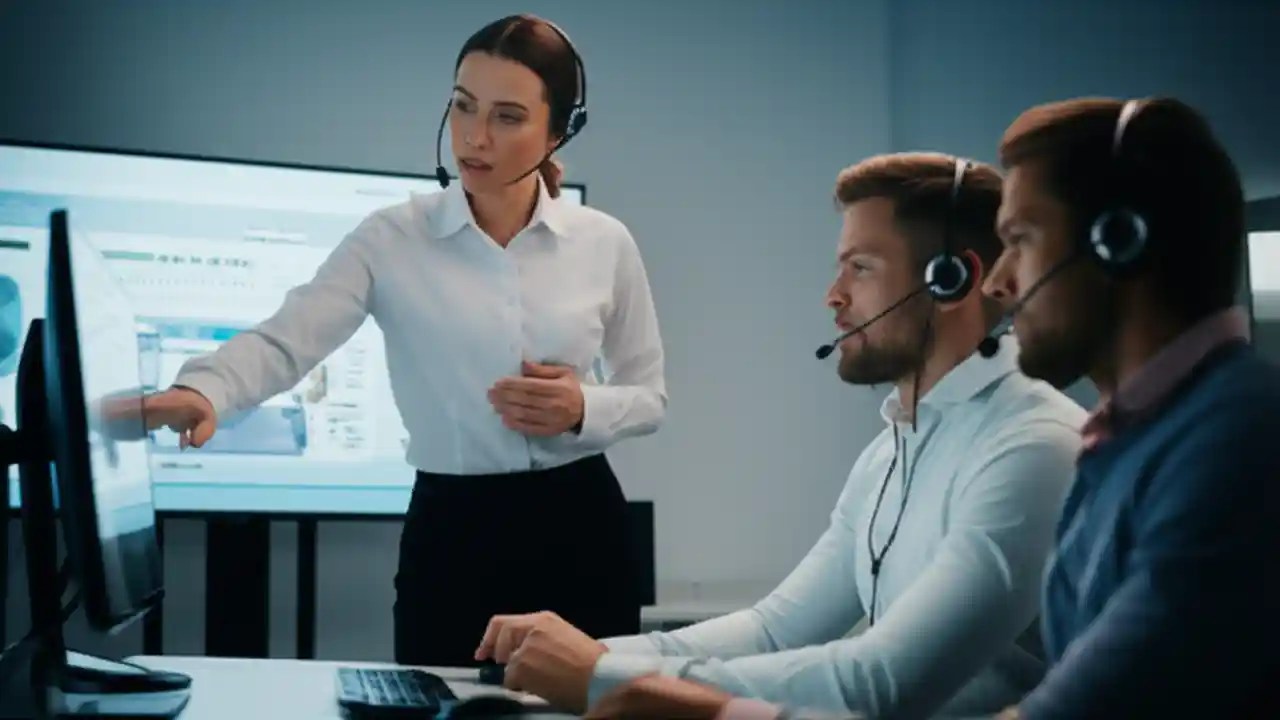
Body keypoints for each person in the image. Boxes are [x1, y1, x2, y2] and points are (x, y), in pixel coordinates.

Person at [473, 153, 1088, 718]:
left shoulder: (1032, 447)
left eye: (861, 268)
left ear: (950, 279)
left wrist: (600, 676)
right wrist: (576, 654)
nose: (834, 296)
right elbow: (774, 629)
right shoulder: (893, 451)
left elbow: (880, 683)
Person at [136, 14, 667, 667]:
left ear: (558, 132)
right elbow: (288, 338)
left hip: (581, 526)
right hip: (452, 531)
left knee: (595, 709)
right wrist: (204, 388)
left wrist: (585, 408)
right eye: (463, 106)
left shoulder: (604, 242)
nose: (473, 137)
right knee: (435, 703)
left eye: (507, 117)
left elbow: (649, 395)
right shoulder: (392, 238)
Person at [982, 96, 1278, 719]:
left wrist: (729, 712)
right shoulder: (1131, 440)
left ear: (1118, 240)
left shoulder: (1239, 440)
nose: (996, 283)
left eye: (1020, 239)